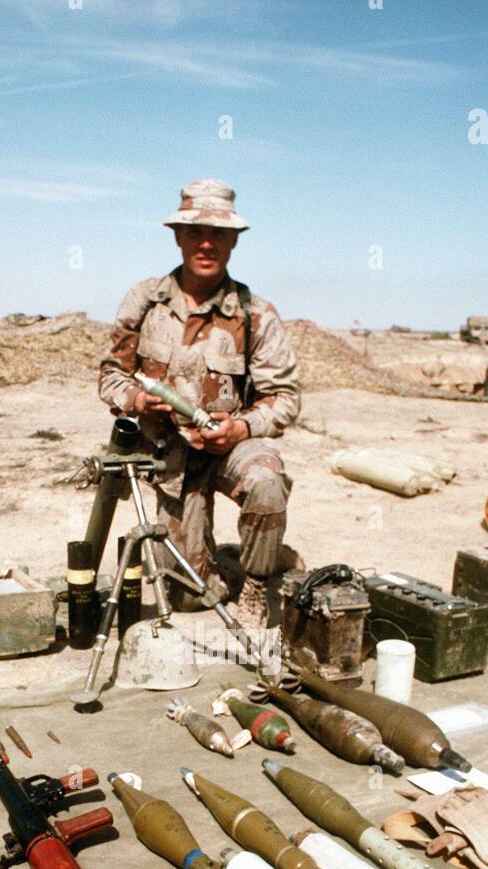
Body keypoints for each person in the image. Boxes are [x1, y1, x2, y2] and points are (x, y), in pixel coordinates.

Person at [99, 179, 300, 628]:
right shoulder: (145, 301)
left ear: (233, 241)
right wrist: (137, 399)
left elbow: (284, 399)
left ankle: (256, 582)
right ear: (177, 236)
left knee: (267, 481)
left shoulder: (255, 313)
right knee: (189, 596)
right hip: (169, 458)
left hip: (228, 448)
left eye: (218, 234)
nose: (206, 243)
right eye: (195, 232)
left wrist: (242, 429)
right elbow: (110, 376)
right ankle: (239, 558)